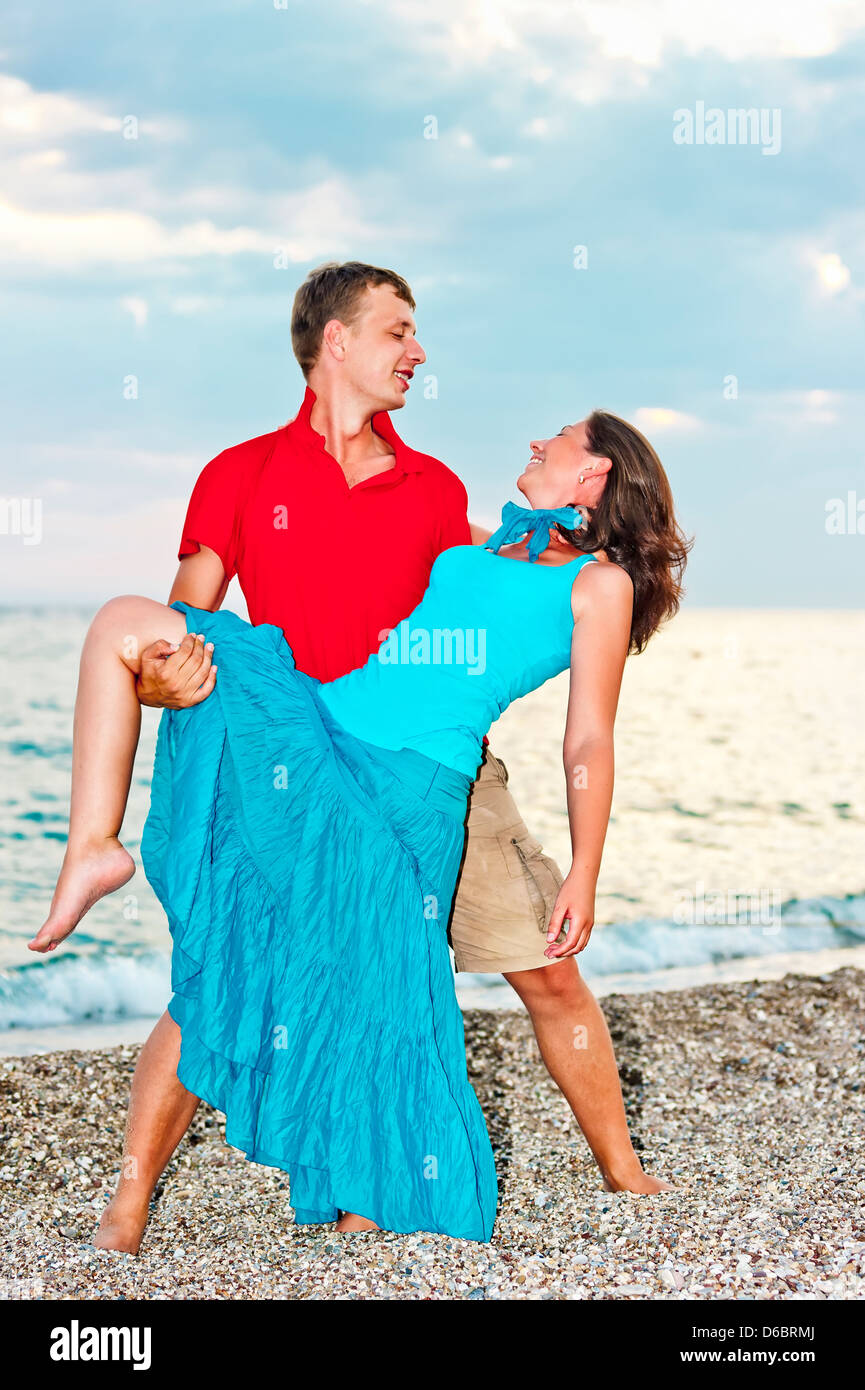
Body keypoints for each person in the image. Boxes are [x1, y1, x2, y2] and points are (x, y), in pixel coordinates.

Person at [30, 263, 689, 1247]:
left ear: (590, 473)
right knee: (231, 962)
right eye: (397, 331)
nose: (416, 352)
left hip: (433, 781)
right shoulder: (261, 478)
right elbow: (196, 616)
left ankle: (621, 1171)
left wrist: (587, 869)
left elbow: (572, 706)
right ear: (337, 341)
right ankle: (94, 849)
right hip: (311, 736)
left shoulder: (485, 521)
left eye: (555, 439)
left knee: (520, 973)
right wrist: (164, 682)